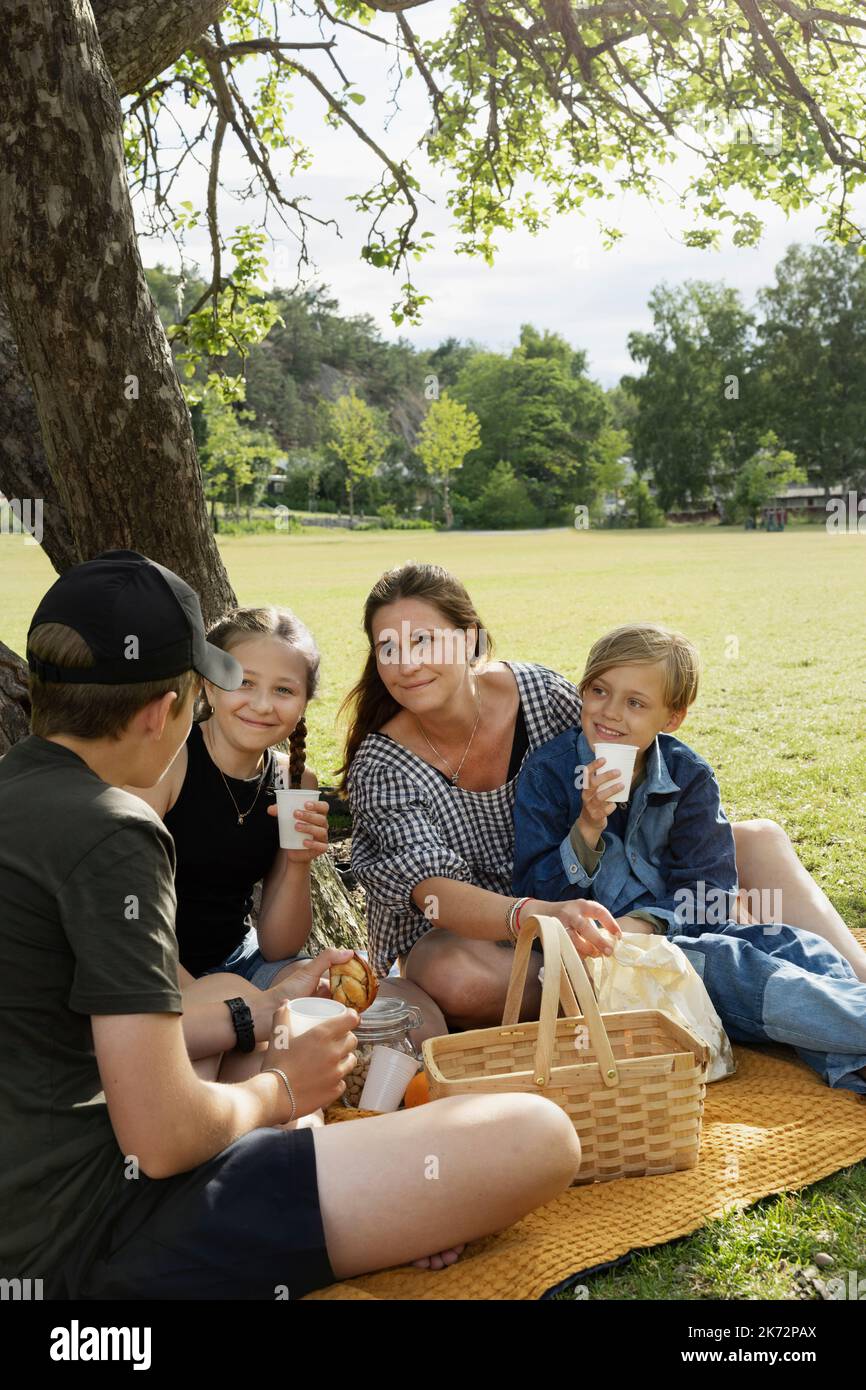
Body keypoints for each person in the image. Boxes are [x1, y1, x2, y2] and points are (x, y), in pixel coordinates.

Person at [0, 550, 580, 1300]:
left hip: (57, 1192)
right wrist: (284, 1088)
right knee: (537, 1137)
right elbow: (166, 1138)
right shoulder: (115, 832)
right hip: (100, 1231)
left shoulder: (19, 793)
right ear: (163, 712)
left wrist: (261, 1010)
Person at [341, 562, 866, 1032]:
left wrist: (637, 906)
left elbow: (630, 741)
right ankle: (679, 979)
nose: (405, 664)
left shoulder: (540, 694)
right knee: (451, 976)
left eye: (424, 642)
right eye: (388, 647)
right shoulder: (383, 765)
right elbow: (439, 896)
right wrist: (546, 913)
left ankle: (852, 985)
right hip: (492, 931)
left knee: (759, 840)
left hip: (597, 898)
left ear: (470, 639)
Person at [511, 622, 866, 1095]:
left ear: (671, 718)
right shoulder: (548, 776)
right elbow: (539, 898)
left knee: (799, 947)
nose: (610, 713)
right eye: (599, 691)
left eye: (635, 703)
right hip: (607, 964)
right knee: (737, 966)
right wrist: (589, 825)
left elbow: (713, 895)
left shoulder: (689, 776)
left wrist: (650, 924)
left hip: (677, 936)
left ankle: (850, 1068)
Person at [126, 605, 445, 1049]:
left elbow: (278, 947)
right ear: (208, 686)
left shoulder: (294, 782)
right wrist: (217, 999)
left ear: (304, 702)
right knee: (256, 1019)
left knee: (410, 1011)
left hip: (240, 960)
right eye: (243, 682)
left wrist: (298, 863)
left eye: (283, 689)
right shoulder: (167, 765)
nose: (261, 704)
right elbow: (128, 915)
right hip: (151, 967)